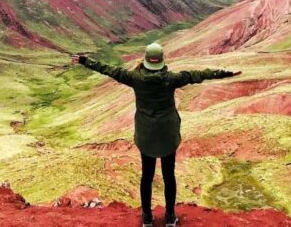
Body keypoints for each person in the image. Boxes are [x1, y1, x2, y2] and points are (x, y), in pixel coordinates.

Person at [72, 42, 241, 227]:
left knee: (147, 176)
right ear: (161, 61)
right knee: (169, 176)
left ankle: (147, 218)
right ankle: (170, 217)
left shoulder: (134, 77)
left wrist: (84, 61)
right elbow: (198, 75)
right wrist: (224, 72)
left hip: (147, 135)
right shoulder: (171, 78)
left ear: (146, 60)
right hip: (168, 135)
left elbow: (108, 70)